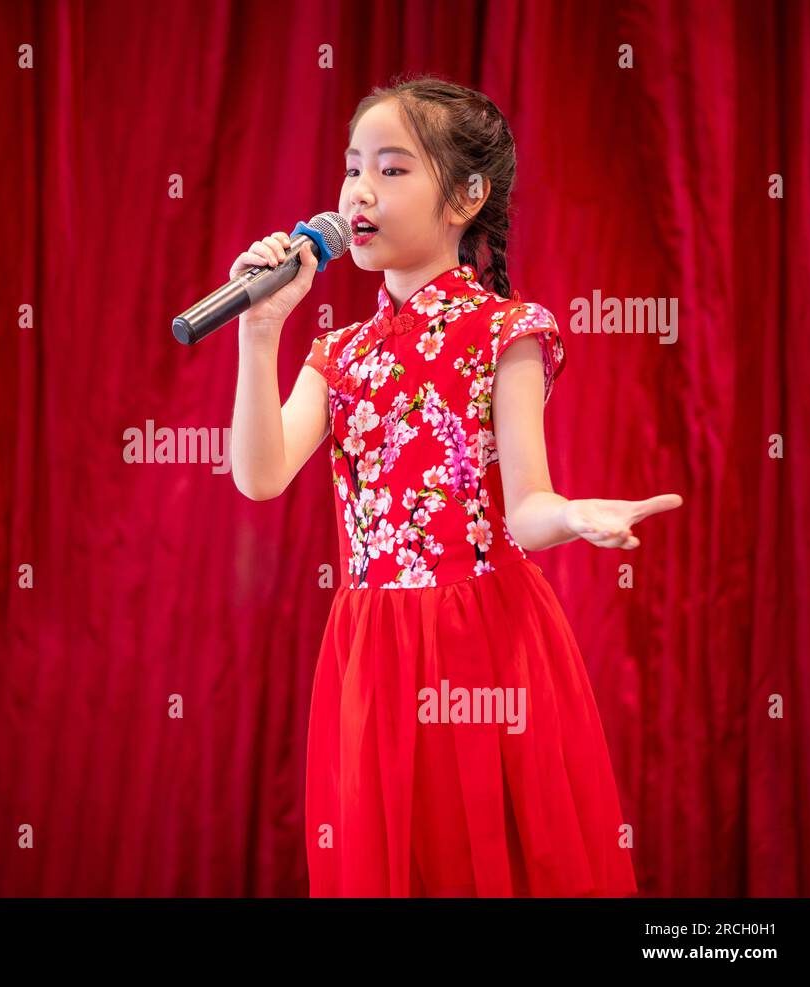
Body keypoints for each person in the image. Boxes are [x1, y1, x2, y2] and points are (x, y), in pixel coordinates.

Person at [228, 76, 682, 896]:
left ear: (465, 196)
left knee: (494, 857)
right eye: (352, 166)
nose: (359, 190)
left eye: (393, 169)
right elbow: (261, 476)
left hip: (482, 639)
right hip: (371, 652)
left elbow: (530, 507)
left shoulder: (504, 331)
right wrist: (260, 333)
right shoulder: (342, 352)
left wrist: (576, 513)